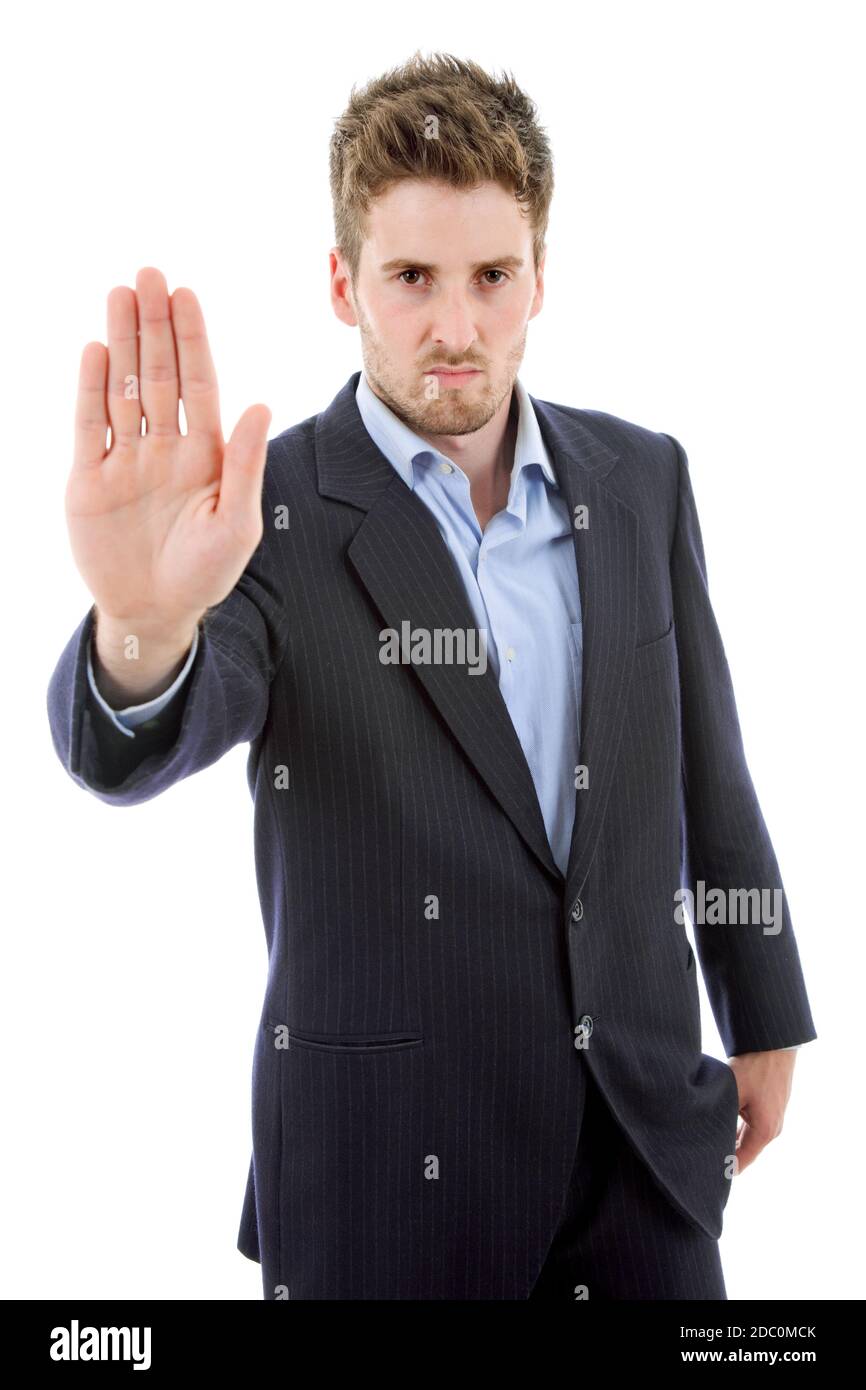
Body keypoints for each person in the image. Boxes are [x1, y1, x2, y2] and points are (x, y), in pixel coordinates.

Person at [47, 51, 816, 1301]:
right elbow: (164, 720)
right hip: (384, 1177)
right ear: (342, 282)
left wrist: (764, 1000)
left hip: (639, 1158)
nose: (454, 328)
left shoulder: (642, 479)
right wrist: (141, 625)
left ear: (538, 282)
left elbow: (702, 762)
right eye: (410, 278)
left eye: (489, 277)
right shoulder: (265, 512)